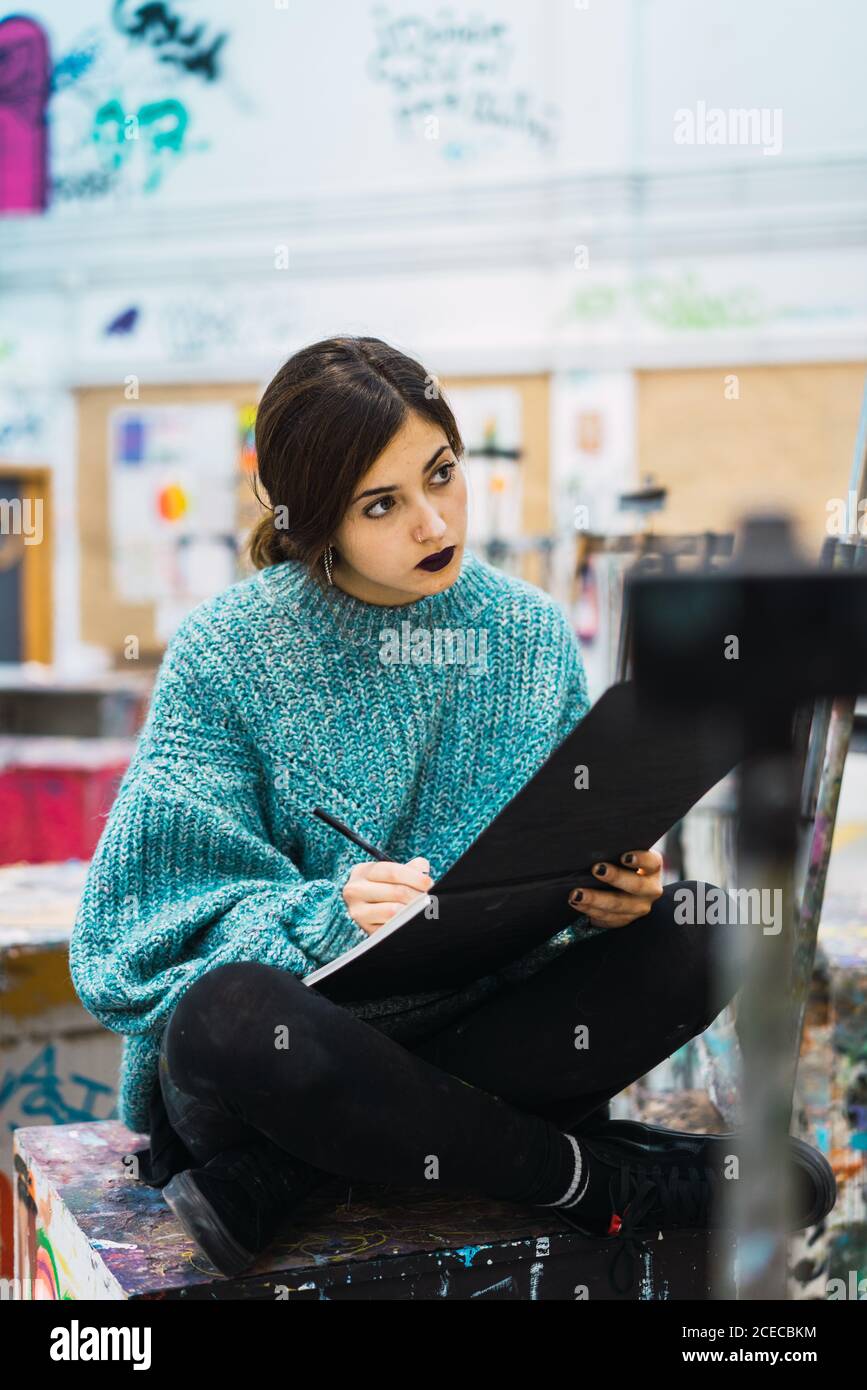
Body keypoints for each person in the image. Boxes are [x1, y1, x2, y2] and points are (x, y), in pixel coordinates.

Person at [69, 336, 835, 1294]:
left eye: (441, 474)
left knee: (702, 929)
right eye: (381, 505)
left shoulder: (525, 632)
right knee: (225, 1017)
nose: (433, 522)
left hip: (472, 1032)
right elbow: (128, 943)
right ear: (315, 525)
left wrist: (608, 893)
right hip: (294, 1056)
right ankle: (593, 1177)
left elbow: (560, 854)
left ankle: (287, 1178)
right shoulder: (226, 653)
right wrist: (326, 912)